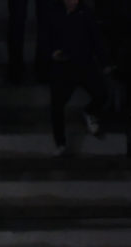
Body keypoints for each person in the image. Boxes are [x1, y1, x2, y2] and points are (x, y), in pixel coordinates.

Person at [42, 0, 109, 156]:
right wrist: (51, 53)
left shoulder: (86, 14)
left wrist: (105, 62)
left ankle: (89, 112)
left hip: (84, 63)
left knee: (102, 94)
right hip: (62, 66)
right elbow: (45, 36)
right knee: (57, 105)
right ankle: (60, 143)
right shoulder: (53, 12)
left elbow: (96, 39)